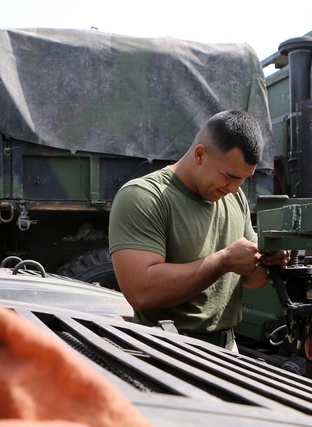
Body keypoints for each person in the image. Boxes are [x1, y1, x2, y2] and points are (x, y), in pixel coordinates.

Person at [108, 109, 290, 351]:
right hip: (166, 352)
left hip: (227, 350)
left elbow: (251, 280)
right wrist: (224, 261)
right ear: (200, 154)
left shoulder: (235, 200)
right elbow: (142, 292)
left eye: (243, 179)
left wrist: (271, 261)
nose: (235, 189)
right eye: (229, 176)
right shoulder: (144, 197)